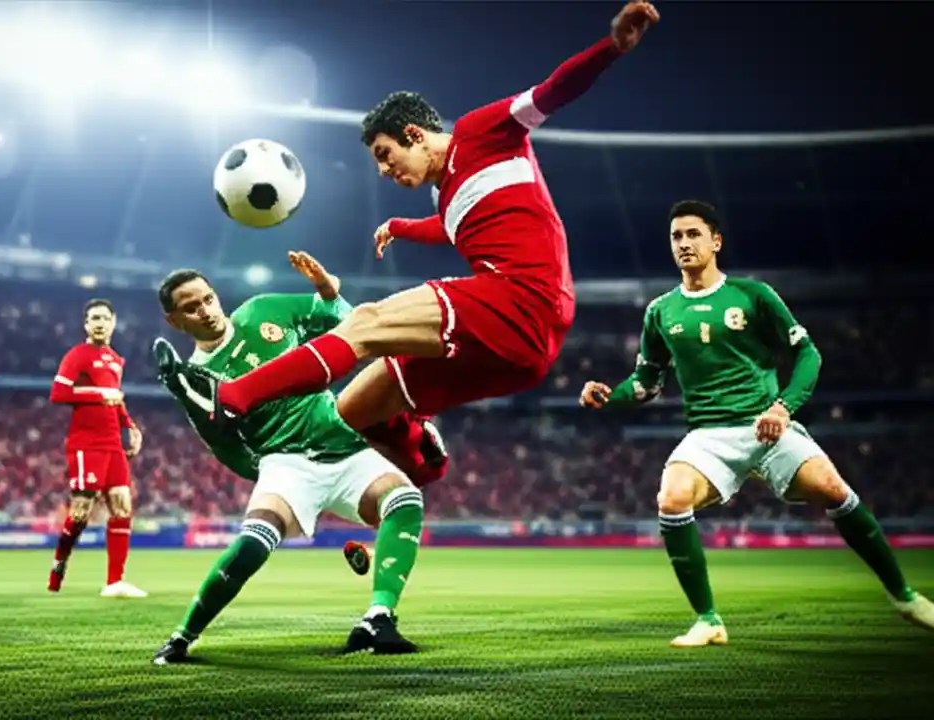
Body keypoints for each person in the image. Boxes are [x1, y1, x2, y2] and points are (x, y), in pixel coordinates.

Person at [191, 2, 660, 439]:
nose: (383, 170)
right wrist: (399, 227)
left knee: (366, 323)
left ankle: (233, 396)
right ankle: (409, 483)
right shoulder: (449, 196)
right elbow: (450, 227)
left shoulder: (482, 134)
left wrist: (610, 48)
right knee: (353, 412)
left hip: (521, 299)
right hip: (521, 350)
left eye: (385, 154)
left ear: (414, 134)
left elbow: (552, 91)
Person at [579, 199, 934, 646]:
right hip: (708, 435)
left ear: (716, 241)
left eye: (693, 234)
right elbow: (647, 382)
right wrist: (610, 397)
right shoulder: (661, 312)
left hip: (766, 424)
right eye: (676, 236)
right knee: (671, 498)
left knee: (832, 488)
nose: (684, 243)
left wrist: (782, 407)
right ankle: (708, 620)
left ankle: (904, 597)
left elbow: (808, 354)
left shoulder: (754, 295)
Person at [151, 252, 425, 664]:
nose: (206, 311)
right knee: (252, 546)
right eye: (191, 308)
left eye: (207, 299)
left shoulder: (264, 309)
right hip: (284, 462)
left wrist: (327, 290)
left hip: (340, 442)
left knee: (404, 500)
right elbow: (222, 445)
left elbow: (345, 323)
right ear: (175, 322)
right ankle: (182, 637)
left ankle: (378, 618)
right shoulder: (198, 380)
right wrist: (262, 469)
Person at [48, 299, 147, 598]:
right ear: (86, 324)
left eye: (105, 318)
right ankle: (60, 562)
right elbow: (58, 393)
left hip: (113, 443)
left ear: (113, 322)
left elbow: (114, 399)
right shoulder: (77, 355)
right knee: (81, 512)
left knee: (122, 506)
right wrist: (97, 394)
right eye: (94, 318)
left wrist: (130, 425)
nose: (100, 323)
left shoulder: (116, 359)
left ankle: (115, 581)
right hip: (85, 443)